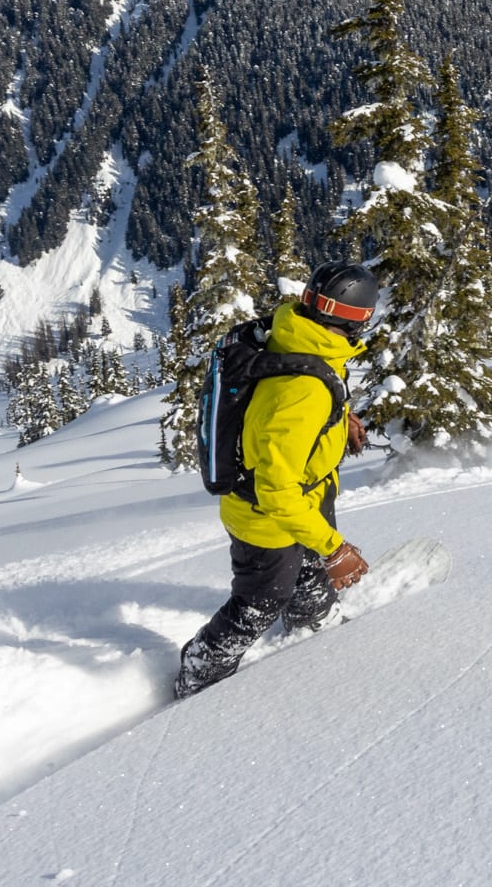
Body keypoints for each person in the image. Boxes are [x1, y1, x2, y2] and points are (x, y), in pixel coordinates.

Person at [175, 263, 378, 698]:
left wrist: (338, 418)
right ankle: (198, 675)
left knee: (308, 571)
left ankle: (312, 623)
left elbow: (286, 416)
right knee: (259, 601)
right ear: (355, 319)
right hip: (266, 517)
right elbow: (276, 489)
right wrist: (335, 548)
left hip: (303, 499)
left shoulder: (300, 337)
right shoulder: (305, 389)